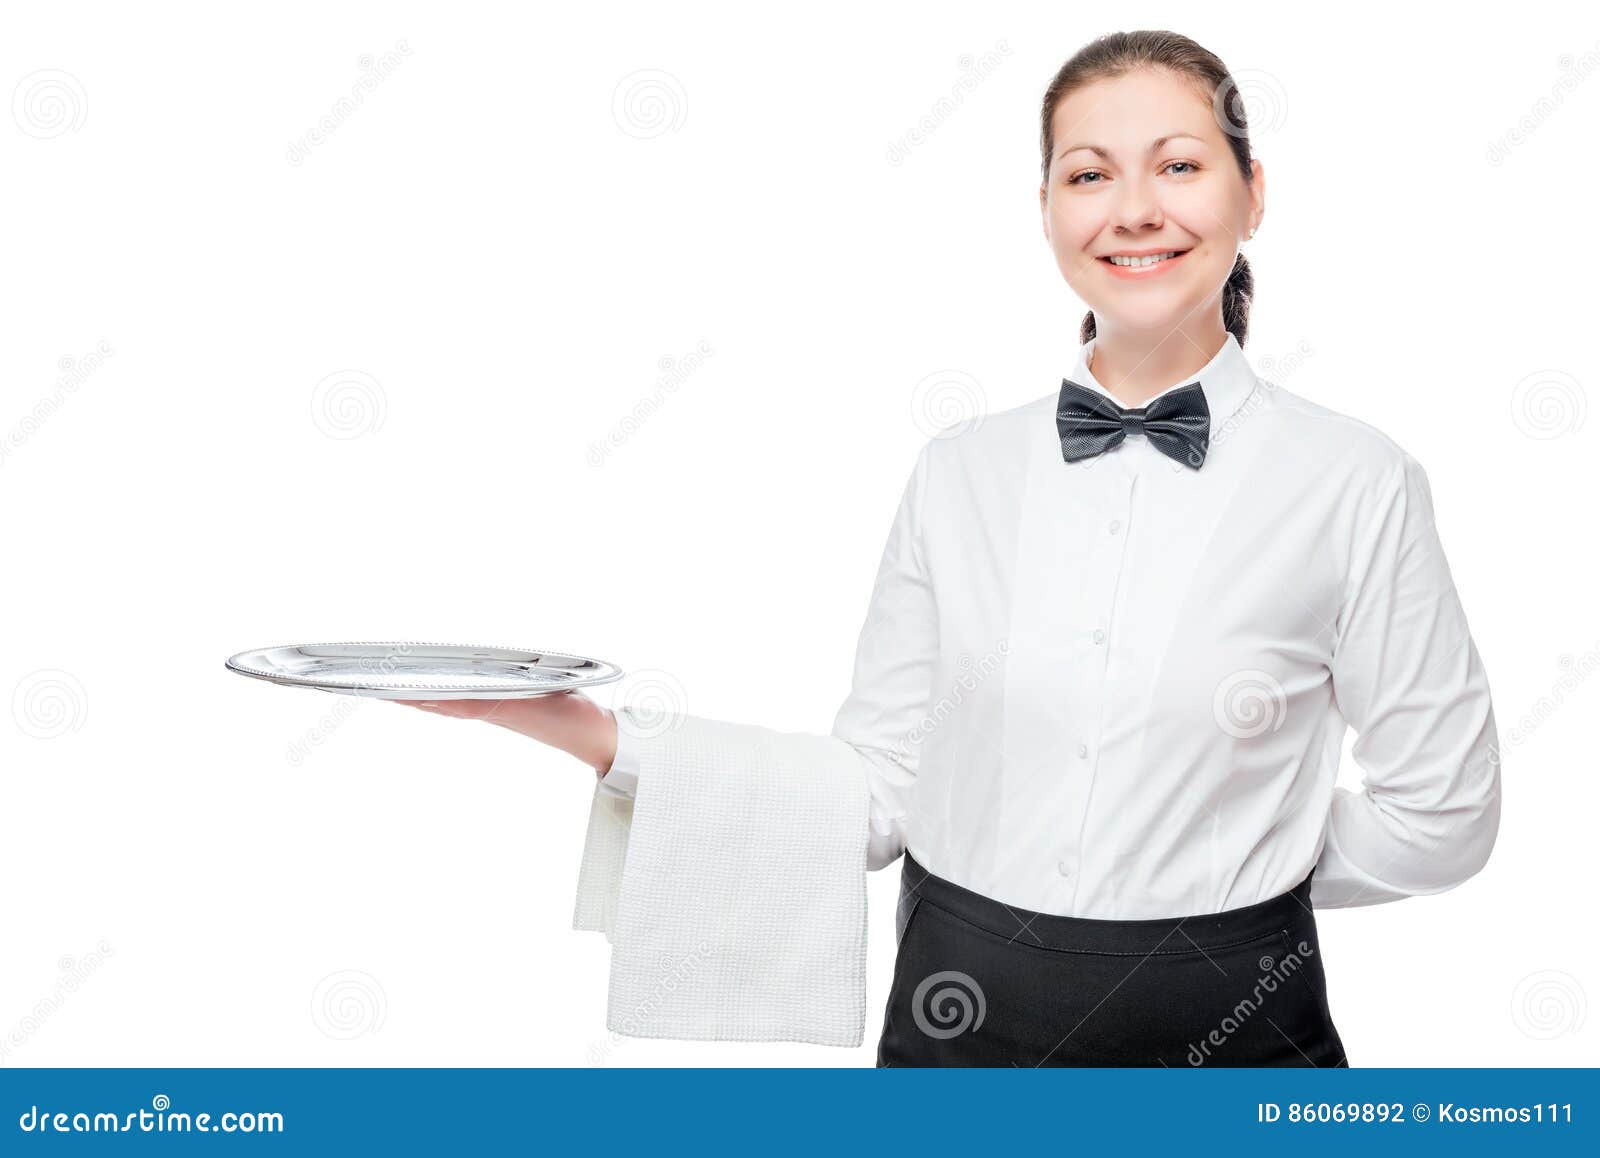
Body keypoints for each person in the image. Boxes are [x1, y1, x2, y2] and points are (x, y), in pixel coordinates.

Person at [394, 29, 1501, 1067]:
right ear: (1045, 209)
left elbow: (1439, 816)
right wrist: (586, 732)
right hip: (959, 1021)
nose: (1133, 210)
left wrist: (1238, 870)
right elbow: (879, 786)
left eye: (1177, 166)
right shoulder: (957, 472)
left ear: (1252, 194)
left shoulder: (1357, 480)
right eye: (1087, 174)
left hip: (1235, 1025)